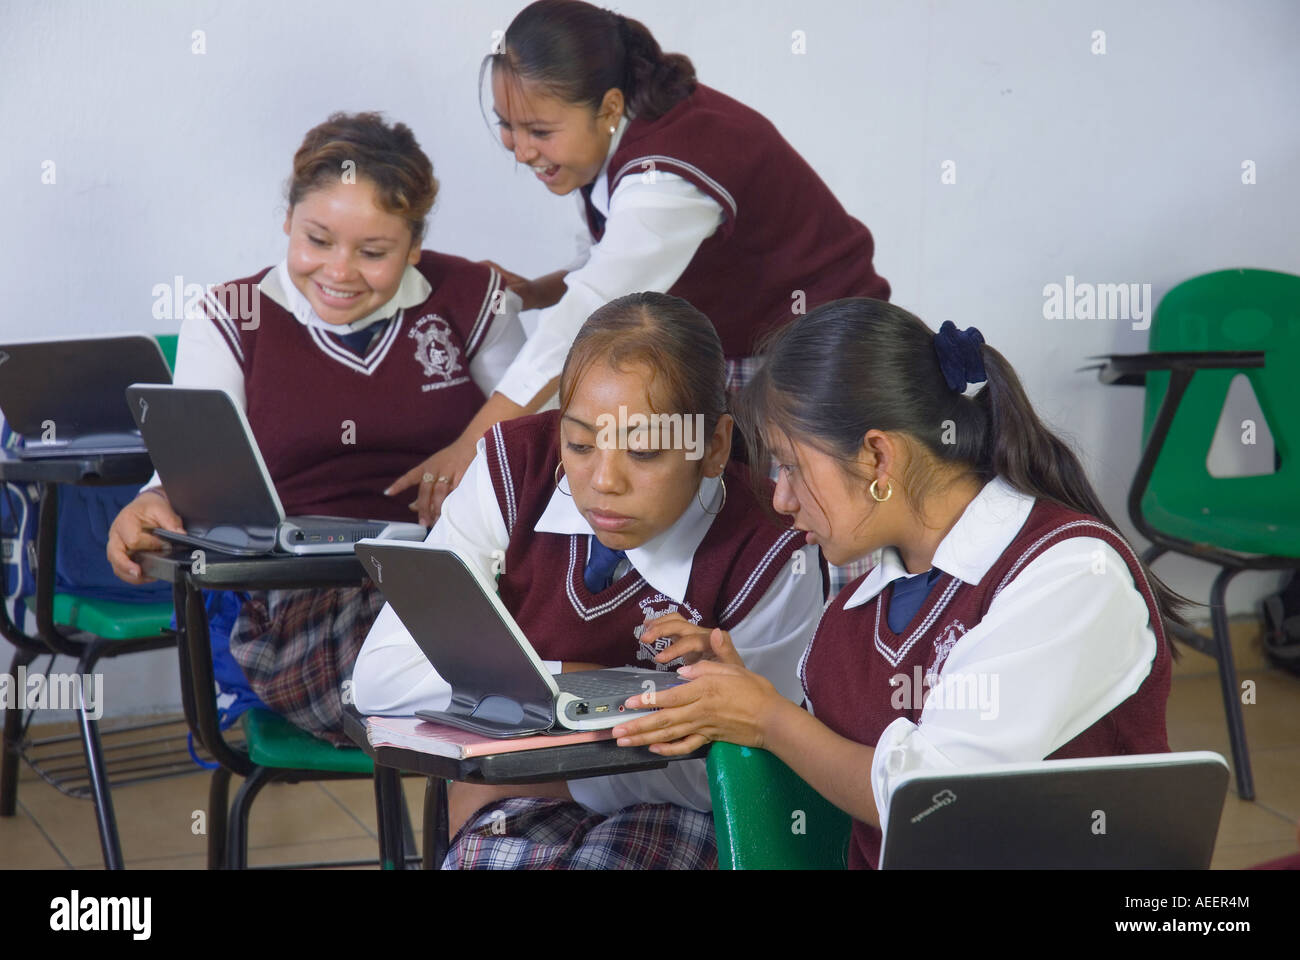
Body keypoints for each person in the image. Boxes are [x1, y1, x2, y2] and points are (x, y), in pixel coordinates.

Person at [612, 298, 1179, 869]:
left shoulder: (1070, 574)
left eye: (792, 467)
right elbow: (837, 769)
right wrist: (739, 696)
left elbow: (934, 799)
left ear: (878, 458)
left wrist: (769, 718)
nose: (781, 499)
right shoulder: (856, 611)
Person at [416, 0, 890, 594]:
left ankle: (846, 677)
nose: (520, 148)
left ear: (609, 107)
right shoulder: (643, 135)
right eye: (506, 125)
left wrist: (474, 443)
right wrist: (542, 289)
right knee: (758, 544)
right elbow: (627, 259)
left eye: (539, 130)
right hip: (750, 355)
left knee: (831, 539)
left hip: (826, 363)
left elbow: (594, 303)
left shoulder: (670, 168)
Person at [352, 292, 826, 868]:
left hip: (683, 812)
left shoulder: (773, 552)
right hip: (522, 799)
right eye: (579, 444)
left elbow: (737, 770)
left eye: (645, 452)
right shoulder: (513, 468)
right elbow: (381, 678)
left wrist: (535, 768)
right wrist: (596, 685)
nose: (603, 481)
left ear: (713, 446)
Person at [106, 112, 524, 744]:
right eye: (317, 239)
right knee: (495, 684)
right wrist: (153, 500)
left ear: (414, 248)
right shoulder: (231, 316)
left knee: (508, 645)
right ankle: (514, 715)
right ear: (287, 222)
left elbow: (536, 433)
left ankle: (501, 776)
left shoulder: (473, 297)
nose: (338, 270)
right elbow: (183, 473)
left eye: (374, 252)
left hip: (457, 575)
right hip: (301, 601)